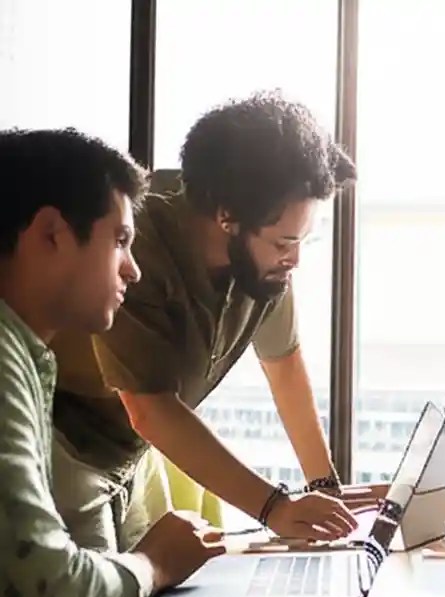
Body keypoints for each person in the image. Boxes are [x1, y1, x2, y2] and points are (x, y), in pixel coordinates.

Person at [49, 91, 382, 553]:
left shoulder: (262, 267)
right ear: (227, 216)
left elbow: (284, 367)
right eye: (285, 241)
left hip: (133, 455)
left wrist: (324, 488)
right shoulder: (137, 247)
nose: (295, 259)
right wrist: (275, 509)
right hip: (63, 446)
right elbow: (149, 409)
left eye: (304, 240)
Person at [1, 128, 224, 597]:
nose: (134, 269)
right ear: (51, 232)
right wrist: (155, 563)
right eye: (120, 241)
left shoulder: (27, 353)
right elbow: (48, 592)